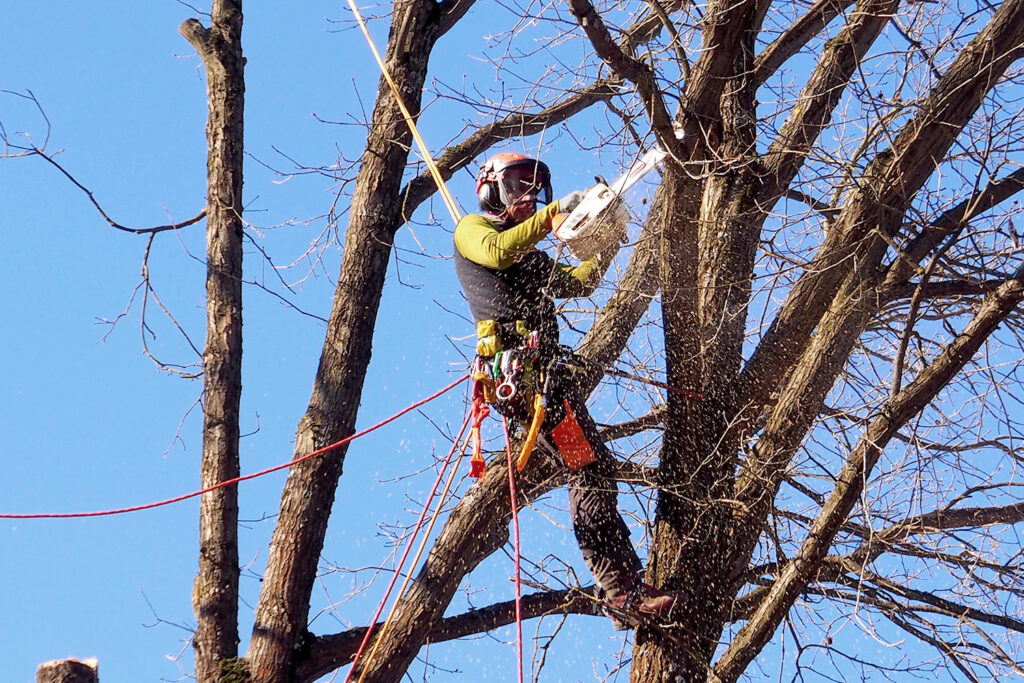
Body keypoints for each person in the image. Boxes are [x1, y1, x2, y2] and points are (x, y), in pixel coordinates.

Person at [453, 151, 682, 629]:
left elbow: (579, 283)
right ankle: (621, 591)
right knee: (588, 468)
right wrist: (550, 217)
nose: (528, 195)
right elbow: (497, 252)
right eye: (516, 184)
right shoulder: (473, 231)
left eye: (534, 188)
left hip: (546, 379)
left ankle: (624, 587)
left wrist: (610, 239)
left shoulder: (528, 254)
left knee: (592, 468)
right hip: (519, 375)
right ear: (491, 189)